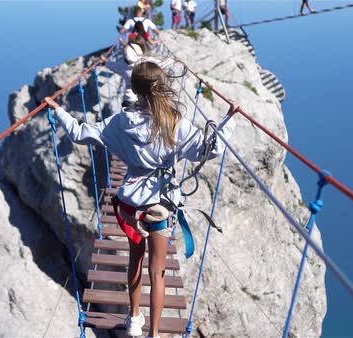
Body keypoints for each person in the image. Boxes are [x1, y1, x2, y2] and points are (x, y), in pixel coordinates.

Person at [44, 61, 236, 338]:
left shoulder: (119, 123)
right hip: (161, 204)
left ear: (133, 89)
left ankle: (133, 320)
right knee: (157, 272)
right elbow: (212, 148)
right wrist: (229, 120)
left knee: (135, 261)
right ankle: (154, 334)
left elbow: (78, 133)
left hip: (130, 206)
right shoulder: (175, 123)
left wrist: (58, 109)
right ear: (162, 87)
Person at [105, 35, 149, 105]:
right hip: (147, 99)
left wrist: (104, 60)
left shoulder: (122, 65)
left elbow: (111, 65)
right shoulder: (149, 61)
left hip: (130, 100)